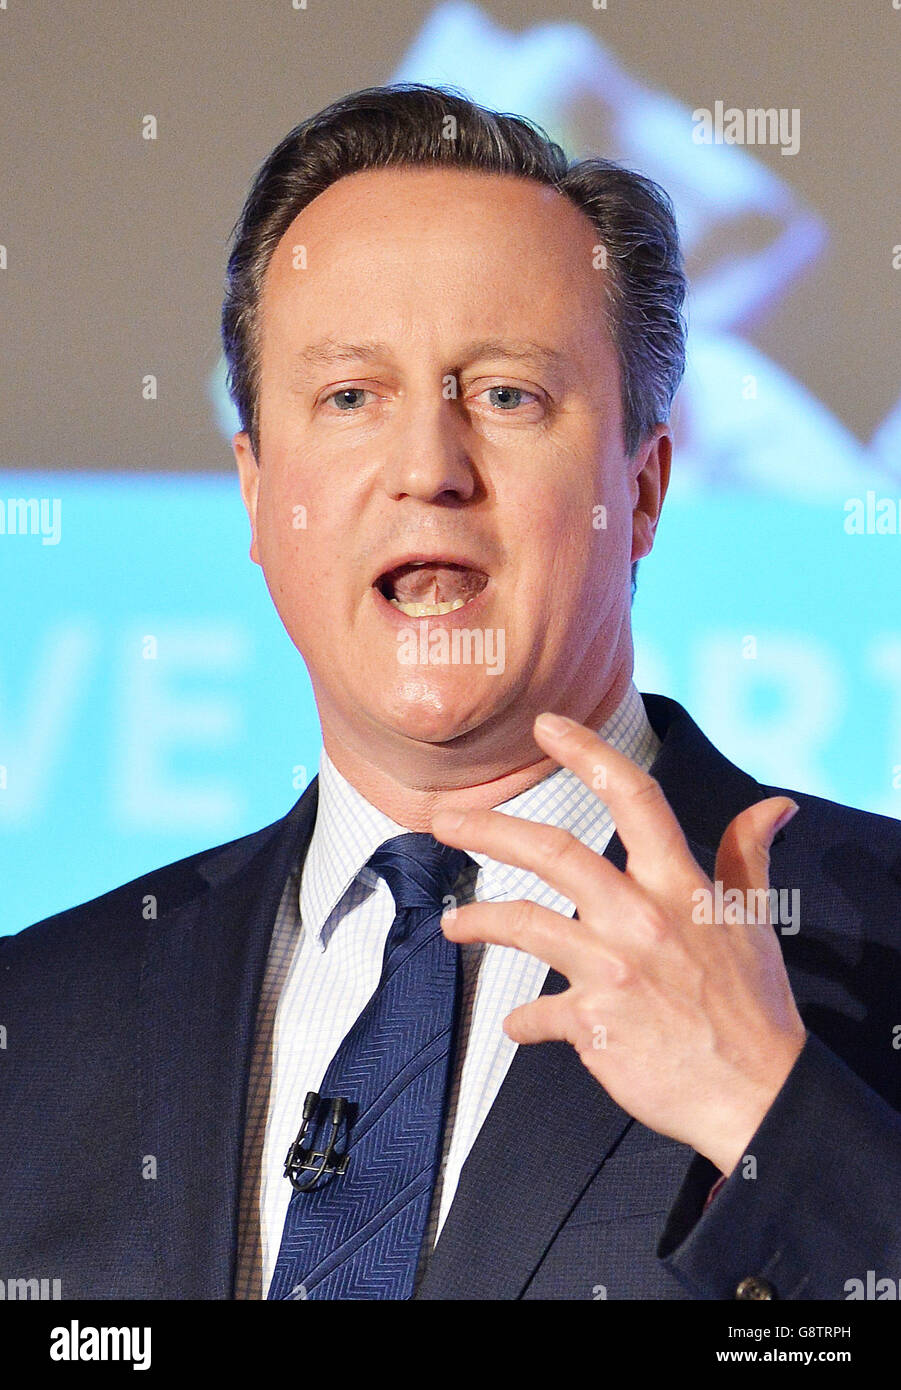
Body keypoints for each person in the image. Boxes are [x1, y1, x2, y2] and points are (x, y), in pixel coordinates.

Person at [2, 83, 899, 1302]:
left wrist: (767, 1112)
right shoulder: (43, 1019)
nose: (428, 468)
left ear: (639, 493)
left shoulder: (872, 945)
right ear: (258, 495)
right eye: (351, 397)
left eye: (507, 396)